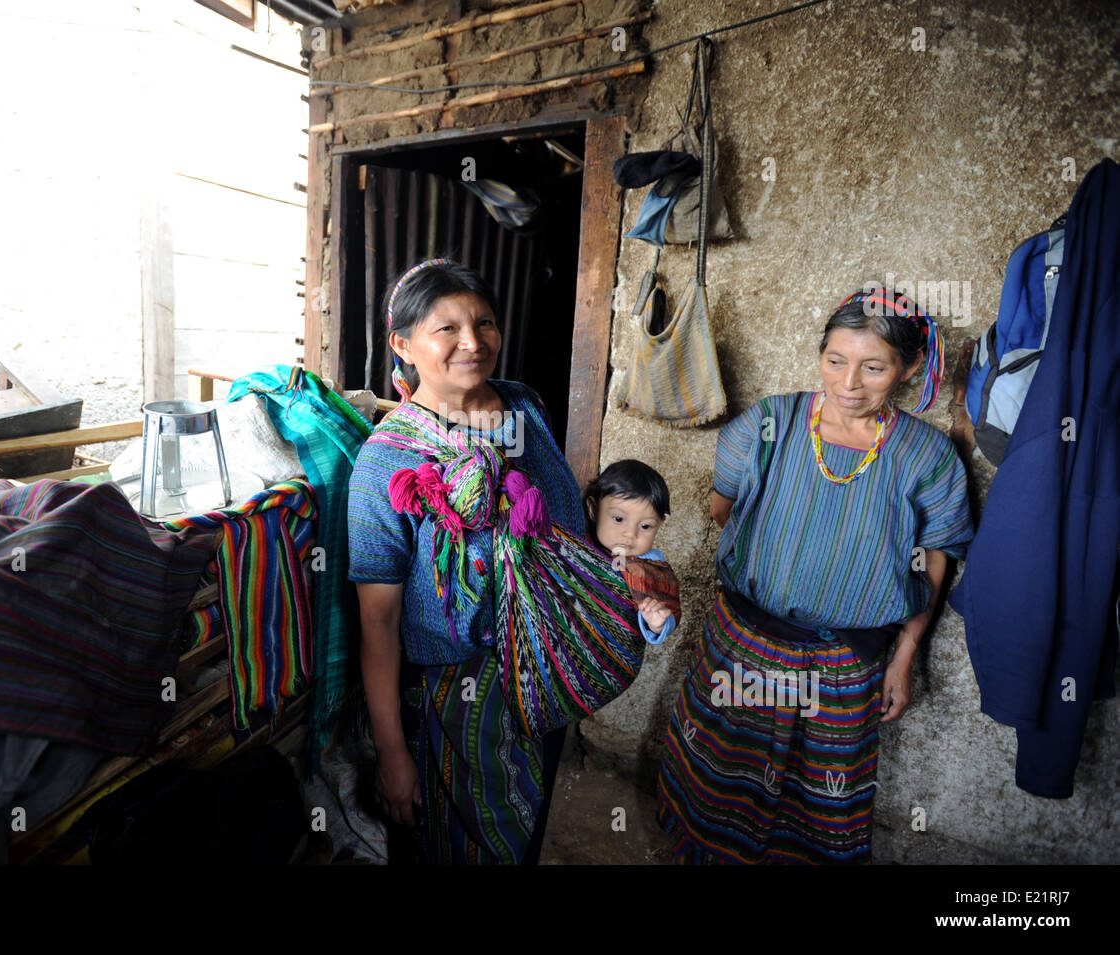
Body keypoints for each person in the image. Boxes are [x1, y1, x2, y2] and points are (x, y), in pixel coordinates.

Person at [656, 286, 974, 864]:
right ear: (820, 353)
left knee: (818, 798)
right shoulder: (770, 425)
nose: (849, 383)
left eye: (873, 367)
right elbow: (720, 507)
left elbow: (934, 560)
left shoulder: (927, 457)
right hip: (743, 646)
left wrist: (905, 656)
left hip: (845, 664)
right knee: (720, 780)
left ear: (907, 369)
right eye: (835, 360)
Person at [346, 258, 584, 864]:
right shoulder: (387, 464)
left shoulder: (524, 406)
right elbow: (379, 620)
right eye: (445, 328)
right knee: (459, 844)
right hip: (462, 691)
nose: (472, 343)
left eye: (484, 323)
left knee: (525, 830)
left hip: (549, 664)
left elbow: (554, 520)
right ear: (403, 343)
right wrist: (393, 753)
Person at [583, 459, 677, 644]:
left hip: (614, 653)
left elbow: (670, 609)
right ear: (594, 510)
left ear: (659, 525)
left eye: (645, 526)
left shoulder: (653, 569)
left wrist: (658, 624)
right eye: (618, 518)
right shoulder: (577, 541)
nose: (630, 534)